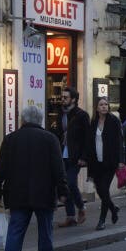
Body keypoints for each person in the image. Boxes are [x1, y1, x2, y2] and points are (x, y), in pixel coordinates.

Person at [0, 106, 68, 251]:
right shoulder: (50, 139)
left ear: (22, 120)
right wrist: (63, 192)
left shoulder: (10, 139)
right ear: (40, 120)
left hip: (18, 194)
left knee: (15, 232)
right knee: (45, 232)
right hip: (44, 194)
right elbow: (58, 169)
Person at [87, 98, 124, 231]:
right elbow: (89, 142)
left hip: (110, 161)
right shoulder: (94, 122)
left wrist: (120, 160)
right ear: (97, 108)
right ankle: (113, 209)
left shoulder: (114, 121)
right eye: (101, 105)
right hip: (96, 163)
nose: (104, 107)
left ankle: (102, 220)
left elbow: (120, 141)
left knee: (104, 189)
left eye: (106, 105)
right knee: (100, 190)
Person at [55, 87, 91, 228]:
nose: (62, 99)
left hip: (76, 155)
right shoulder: (61, 114)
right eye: (62, 97)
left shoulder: (82, 115)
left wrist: (84, 157)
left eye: (65, 97)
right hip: (62, 153)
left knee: (70, 182)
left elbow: (87, 138)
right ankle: (70, 217)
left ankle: (81, 207)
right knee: (65, 185)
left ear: (74, 99)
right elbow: (58, 133)